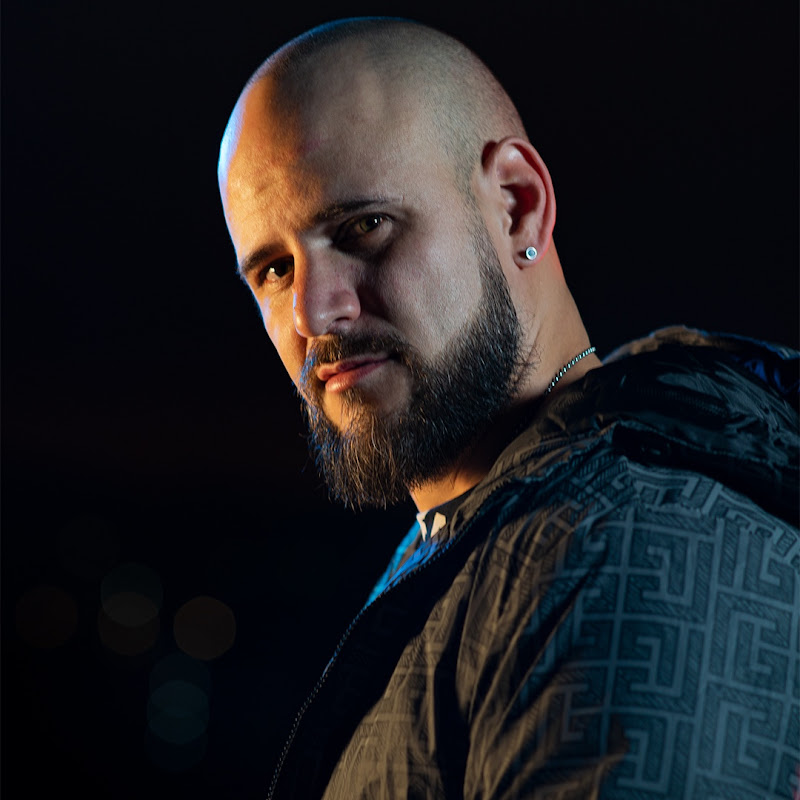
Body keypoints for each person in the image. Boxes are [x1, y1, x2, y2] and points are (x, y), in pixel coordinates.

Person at [217, 17, 799, 800]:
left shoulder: (632, 545)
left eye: (363, 227)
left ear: (518, 206)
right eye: (275, 270)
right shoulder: (483, 544)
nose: (315, 312)